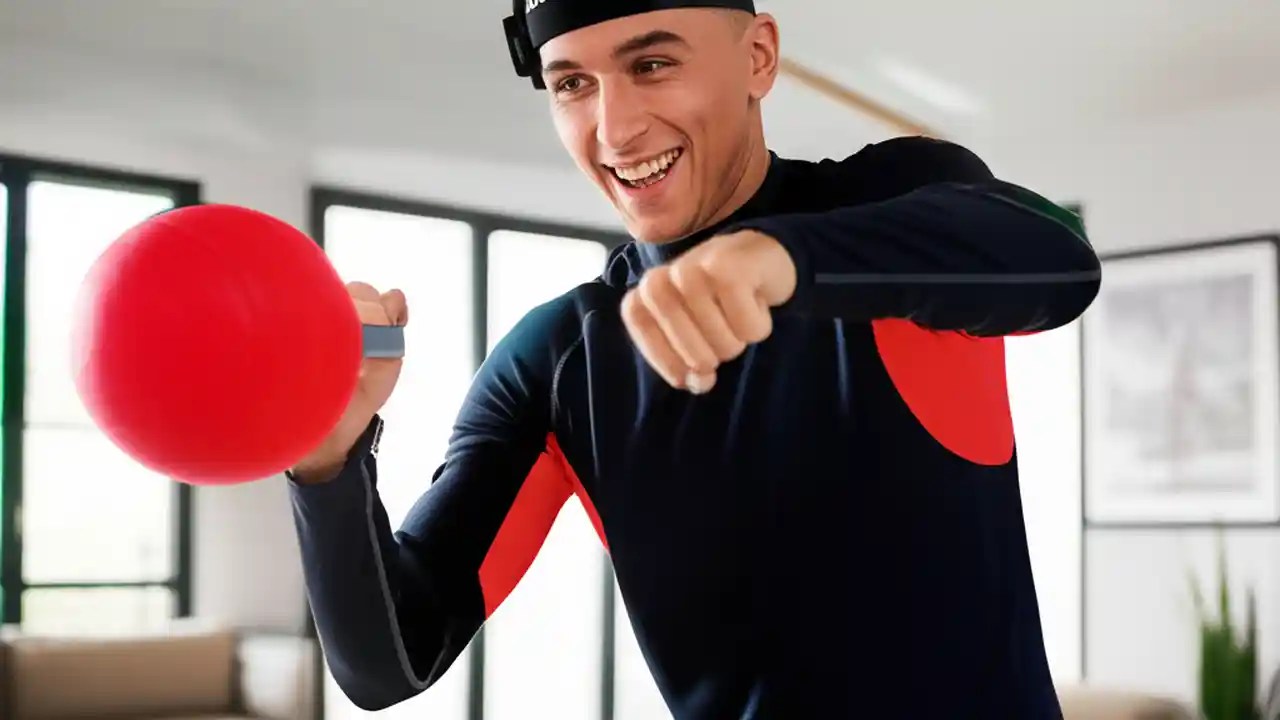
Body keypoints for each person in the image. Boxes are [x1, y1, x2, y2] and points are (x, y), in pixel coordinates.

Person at [287, 1, 1102, 718]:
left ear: (759, 57)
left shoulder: (896, 201)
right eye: (572, 84)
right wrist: (327, 459)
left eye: (651, 65)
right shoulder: (557, 359)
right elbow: (388, 662)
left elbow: (1060, 262)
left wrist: (780, 259)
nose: (614, 129)